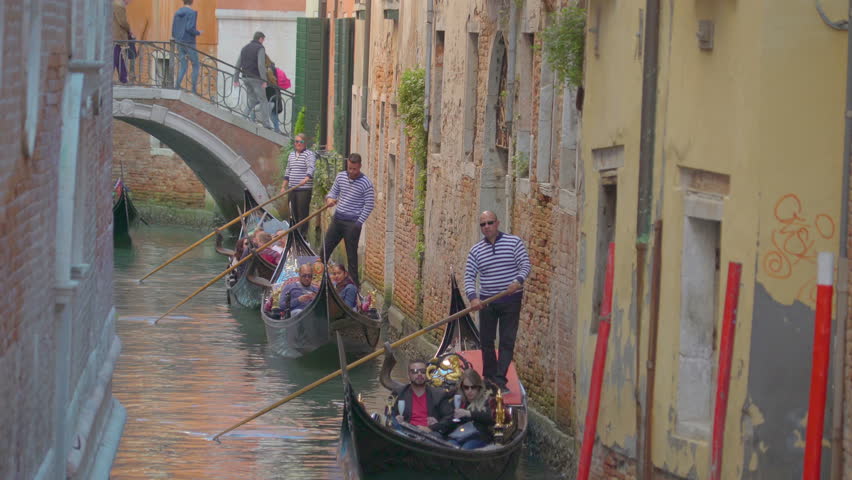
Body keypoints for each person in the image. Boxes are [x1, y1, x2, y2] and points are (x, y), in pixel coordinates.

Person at [464, 211, 530, 394]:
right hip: (487, 301)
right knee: (486, 341)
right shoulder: (476, 250)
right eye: (483, 224)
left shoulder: (514, 242)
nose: (486, 227)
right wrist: (473, 298)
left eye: (490, 223)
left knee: (507, 341)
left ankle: (500, 380)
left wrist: (517, 281)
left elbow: (525, 264)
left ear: (497, 223)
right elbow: (469, 276)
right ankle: (489, 378)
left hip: (511, 299)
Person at [321, 153, 375, 287]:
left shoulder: (366, 183)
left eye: (354, 169)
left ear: (360, 167)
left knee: (352, 259)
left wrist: (358, 223)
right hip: (338, 219)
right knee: (324, 250)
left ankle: (354, 288)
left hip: (352, 224)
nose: (351, 172)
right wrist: (329, 199)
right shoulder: (340, 176)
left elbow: (369, 205)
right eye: (350, 168)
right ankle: (319, 281)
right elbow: (333, 192)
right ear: (348, 165)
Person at [436, 369, 504, 449]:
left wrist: (469, 413)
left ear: (479, 387)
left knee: (466, 449)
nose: (469, 391)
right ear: (462, 388)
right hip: (458, 435)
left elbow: (492, 417)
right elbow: (448, 418)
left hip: (478, 436)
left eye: (473, 387)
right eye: (466, 387)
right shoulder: (458, 400)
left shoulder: (487, 399)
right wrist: (437, 423)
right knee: (448, 447)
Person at [389, 360, 453, 433]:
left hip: (429, 435)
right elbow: (389, 413)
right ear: (408, 375)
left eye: (422, 371)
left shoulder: (438, 395)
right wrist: (395, 418)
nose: (419, 374)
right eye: (415, 371)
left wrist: (432, 427)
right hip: (405, 431)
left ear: (426, 374)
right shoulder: (399, 393)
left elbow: (450, 418)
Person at [280, 133, 316, 235]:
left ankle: (302, 235)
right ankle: (293, 234)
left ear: (305, 143)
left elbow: (311, 167)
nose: (298, 144)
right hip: (292, 188)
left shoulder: (309, 154)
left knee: (302, 213)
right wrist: (283, 186)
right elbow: (288, 171)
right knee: (292, 212)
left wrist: (307, 177)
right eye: (296, 141)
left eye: (301, 142)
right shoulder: (291, 155)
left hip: (304, 189)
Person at [235, 32, 272, 129]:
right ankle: (266, 124)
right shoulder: (260, 48)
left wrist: (236, 78)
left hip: (245, 77)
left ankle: (243, 118)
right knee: (263, 100)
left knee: (252, 100)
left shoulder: (244, 48)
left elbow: (238, 64)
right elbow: (261, 65)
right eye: (263, 40)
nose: (263, 42)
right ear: (260, 39)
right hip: (255, 78)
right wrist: (264, 80)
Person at [171, 0, 201, 93]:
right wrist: (198, 32)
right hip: (189, 42)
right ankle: (193, 90)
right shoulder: (191, 13)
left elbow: (173, 29)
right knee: (195, 65)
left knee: (183, 65)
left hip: (179, 42)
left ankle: (177, 86)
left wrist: (176, 38)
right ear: (192, 2)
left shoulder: (177, 13)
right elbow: (189, 27)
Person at [112, 0, 133, 84]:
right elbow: (122, 22)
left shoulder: (115, 4)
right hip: (117, 36)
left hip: (114, 35)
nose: (131, 2)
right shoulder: (119, 5)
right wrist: (129, 29)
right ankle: (122, 78)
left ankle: (123, 78)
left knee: (118, 56)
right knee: (115, 56)